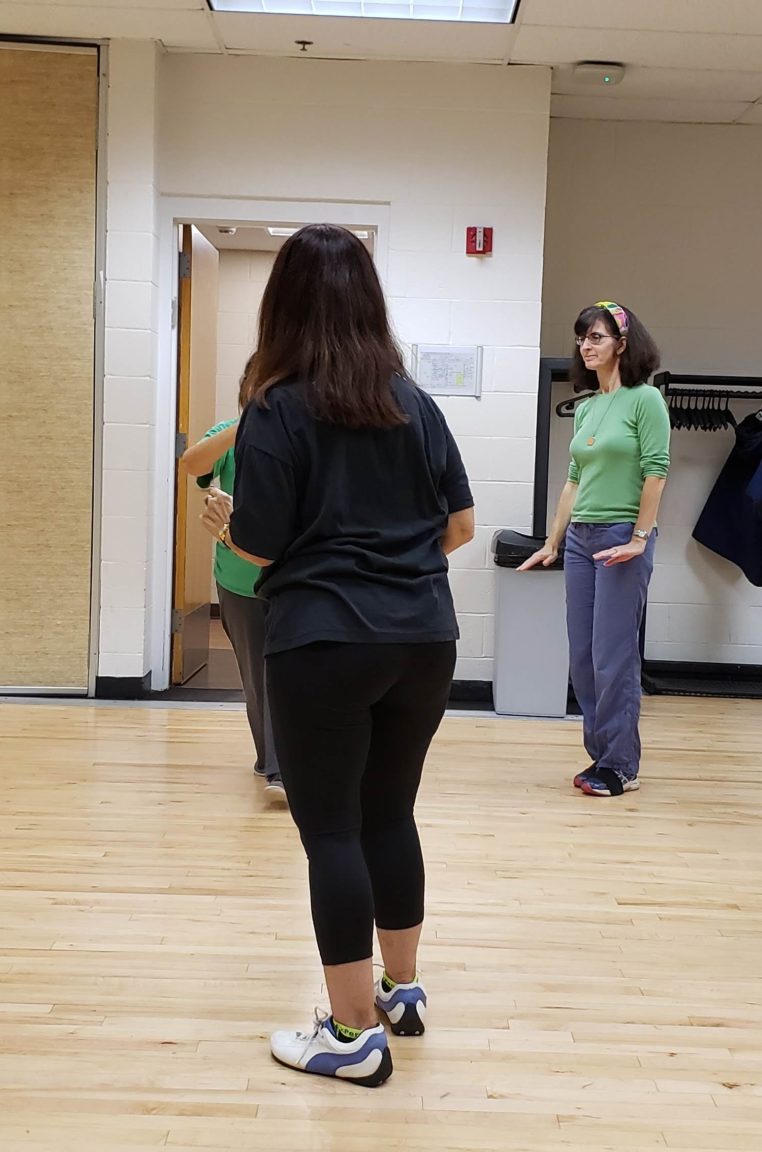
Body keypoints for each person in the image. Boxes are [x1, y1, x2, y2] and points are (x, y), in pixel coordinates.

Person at [202, 223, 475, 1086]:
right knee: (389, 814)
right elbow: (461, 528)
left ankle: (353, 1036)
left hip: (324, 638)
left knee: (331, 833)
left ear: (281, 303)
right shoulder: (413, 400)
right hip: (425, 637)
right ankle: (402, 990)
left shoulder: (276, 408)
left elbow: (258, 550)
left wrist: (224, 521)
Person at [518, 302, 670, 798]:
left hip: (622, 536)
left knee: (613, 656)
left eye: (598, 337)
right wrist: (552, 541)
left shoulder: (645, 399)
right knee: (582, 658)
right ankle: (601, 755)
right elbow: (574, 481)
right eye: (582, 337)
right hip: (582, 539)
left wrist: (639, 539)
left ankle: (622, 765)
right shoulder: (585, 406)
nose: (586, 345)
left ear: (622, 345)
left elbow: (656, 471)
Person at [179, 403, 284, 798]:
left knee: (283, 672)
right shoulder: (230, 432)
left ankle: (280, 768)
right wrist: (245, 424)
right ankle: (269, 759)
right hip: (239, 578)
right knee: (256, 676)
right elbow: (192, 464)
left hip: (293, 577)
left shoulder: (304, 435)